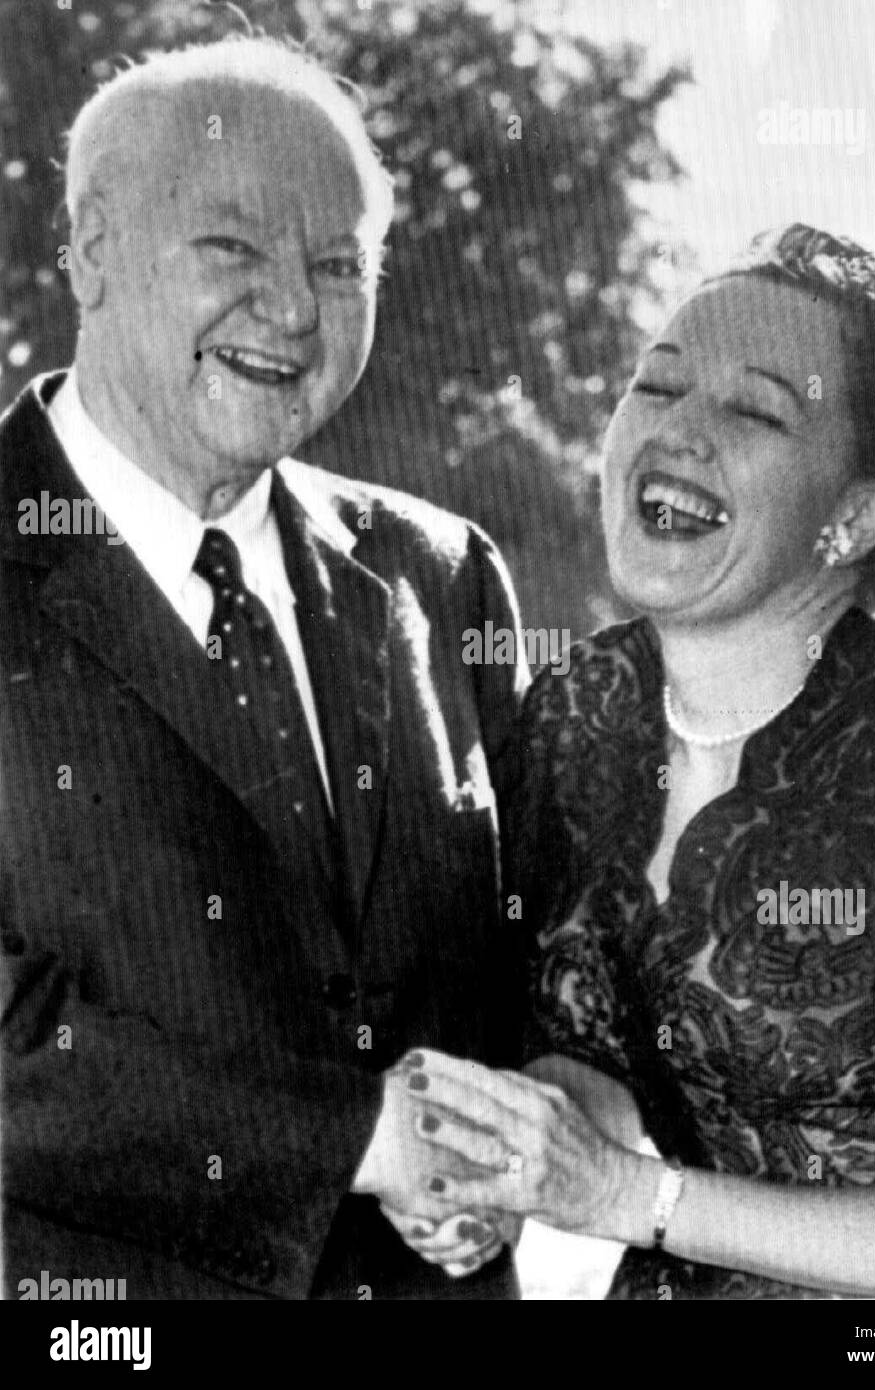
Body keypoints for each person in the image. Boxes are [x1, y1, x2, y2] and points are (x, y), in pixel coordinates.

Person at [399, 225, 875, 1299]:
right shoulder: (574, 712)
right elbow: (587, 1044)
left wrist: (629, 1198)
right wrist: (495, 1161)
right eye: (656, 386)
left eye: (754, 409)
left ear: (856, 515)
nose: (680, 430)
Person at [0, 35, 528, 1300]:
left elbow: (525, 951)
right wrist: (360, 1140)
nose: (293, 307)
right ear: (93, 248)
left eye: (341, 263)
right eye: (232, 248)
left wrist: (516, 1123)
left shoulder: (442, 573)